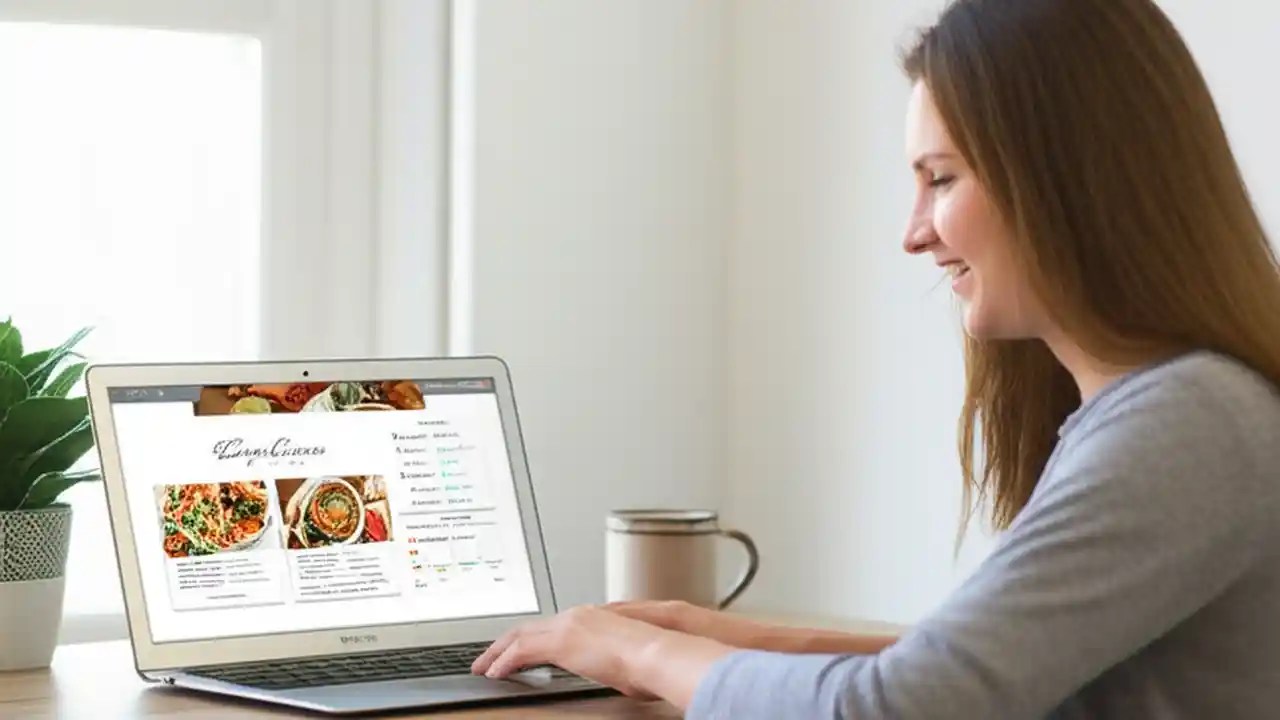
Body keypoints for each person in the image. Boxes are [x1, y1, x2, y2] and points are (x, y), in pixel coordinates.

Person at [472, 0, 1280, 716]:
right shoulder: (1171, 411)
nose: (913, 233)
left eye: (941, 179)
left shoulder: (1192, 422)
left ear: (1064, 176)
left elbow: (898, 708)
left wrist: (636, 652)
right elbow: (969, 672)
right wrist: (720, 636)